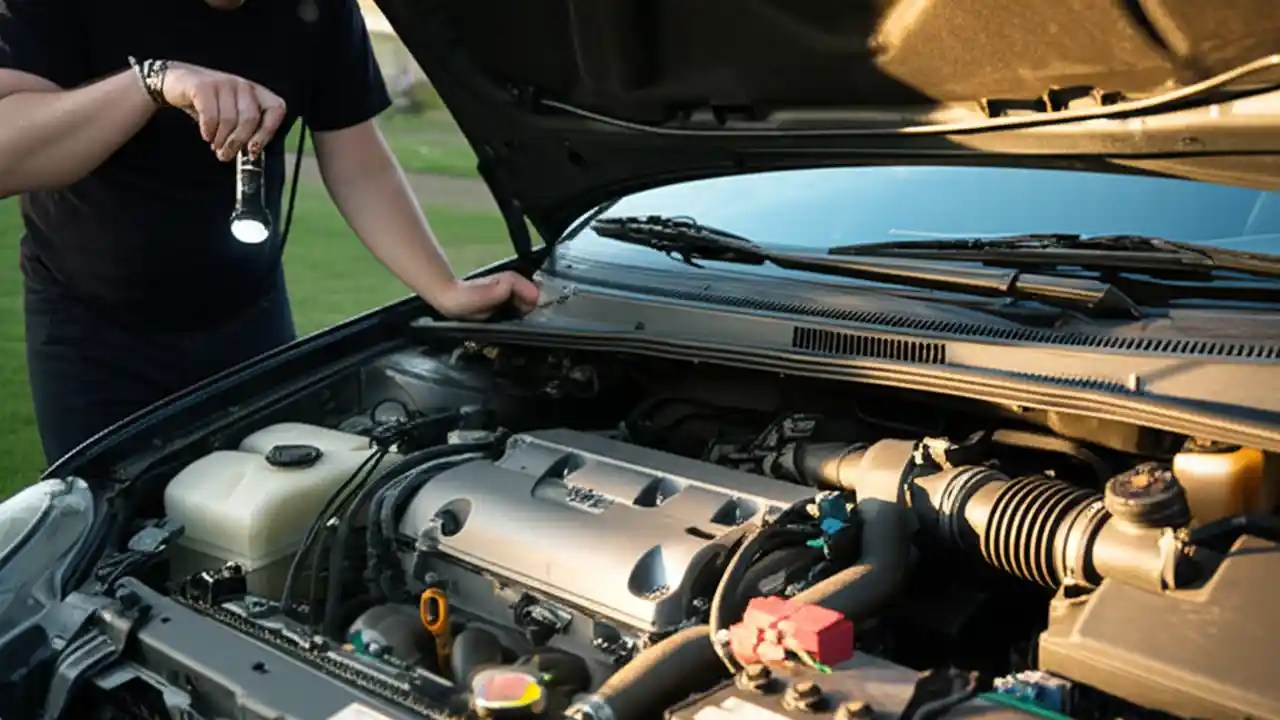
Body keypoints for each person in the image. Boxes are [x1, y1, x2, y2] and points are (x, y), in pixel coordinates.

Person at [0, 0, 540, 464]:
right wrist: (154, 82)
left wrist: (444, 290)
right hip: (91, 334)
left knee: (268, 522)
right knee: (101, 547)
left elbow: (358, 161)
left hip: (250, 323)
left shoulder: (317, 8)